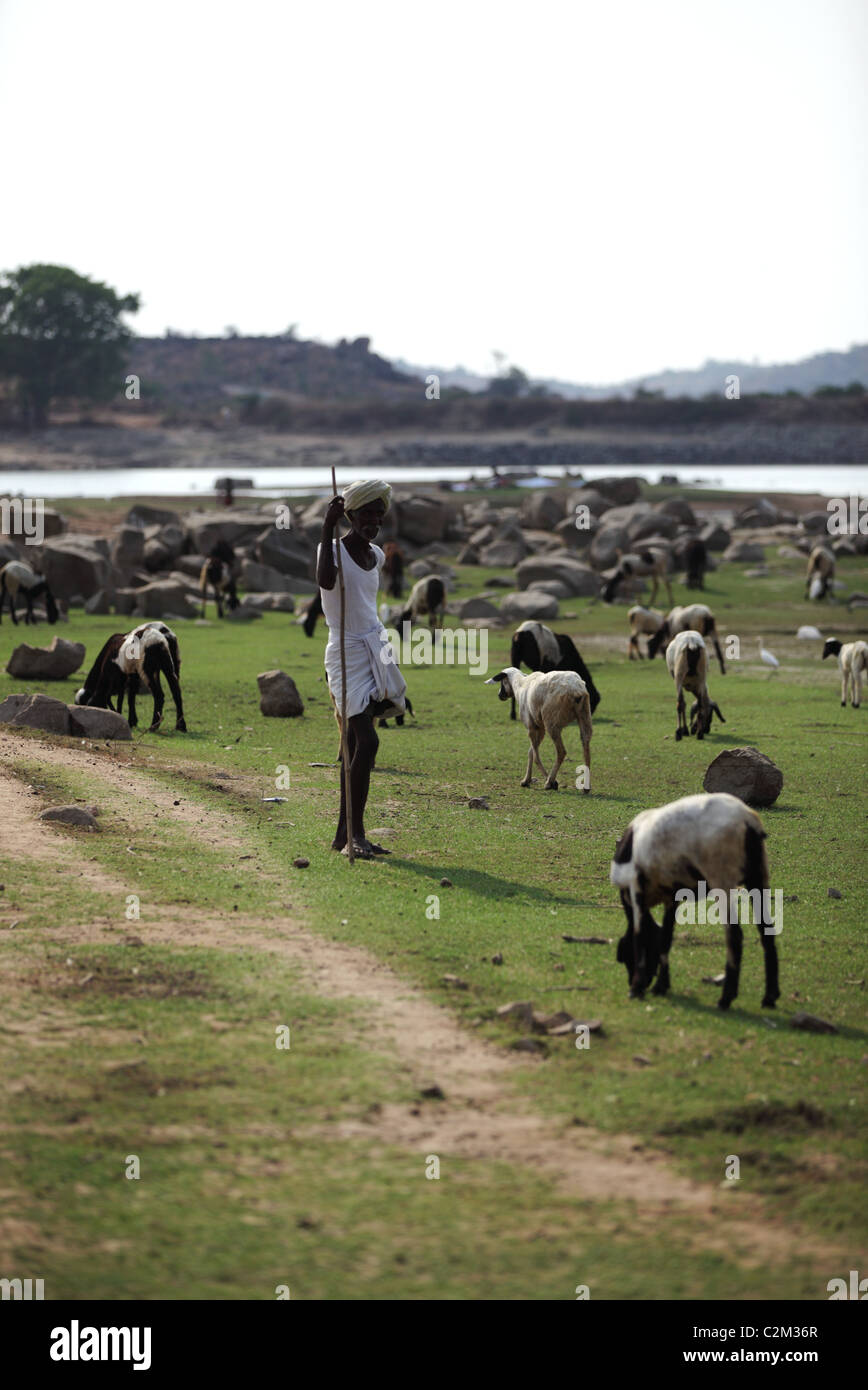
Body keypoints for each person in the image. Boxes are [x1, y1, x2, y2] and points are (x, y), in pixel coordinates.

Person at [316, 480, 407, 860]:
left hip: (375, 648)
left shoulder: (377, 556)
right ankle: (356, 835)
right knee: (367, 742)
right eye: (365, 513)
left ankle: (347, 836)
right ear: (350, 515)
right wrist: (326, 525)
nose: (372, 520)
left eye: (378, 514)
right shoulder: (332, 551)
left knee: (356, 745)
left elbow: (368, 607)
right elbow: (324, 581)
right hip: (345, 652)